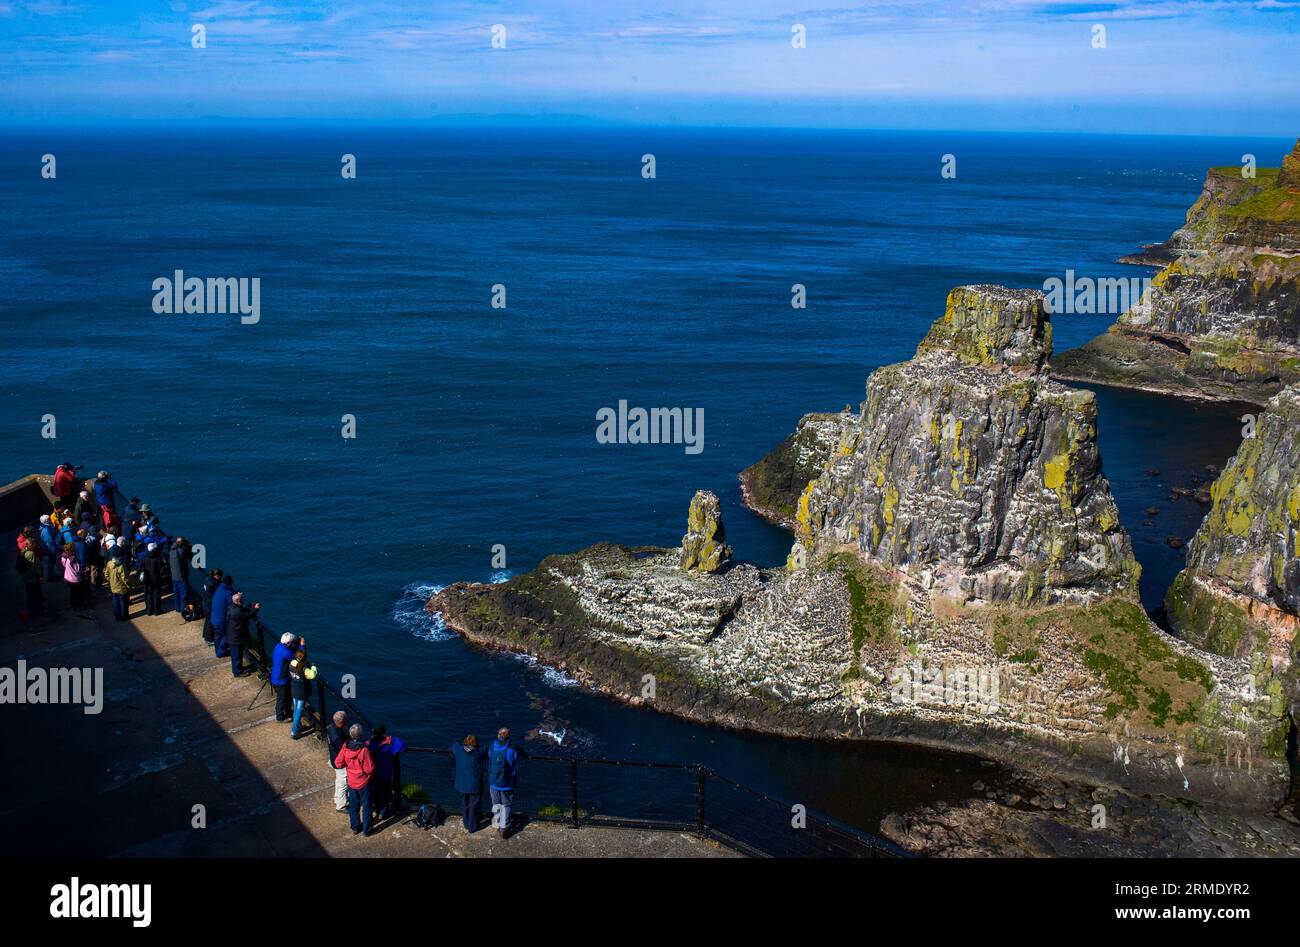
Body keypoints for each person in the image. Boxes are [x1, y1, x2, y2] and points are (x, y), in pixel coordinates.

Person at [334, 724, 375, 836]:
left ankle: (355, 827)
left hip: (351, 782)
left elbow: (338, 762)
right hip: (363, 783)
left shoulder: (345, 746)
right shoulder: (364, 750)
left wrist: (349, 765)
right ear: (361, 735)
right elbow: (369, 769)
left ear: (351, 734)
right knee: (366, 806)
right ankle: (367, 829)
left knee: (353, 806)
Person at [487, 727, 525, 838]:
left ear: (498, 736)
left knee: (496, 804)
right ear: (508, 737)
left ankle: (498, 823)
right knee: (507, 804)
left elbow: (490, 756)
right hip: (507, 783)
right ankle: (504, 826)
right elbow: (517, 759)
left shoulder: (492, 746)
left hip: (494, 782)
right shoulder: (512, 749)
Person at [367, 723, 407, 819]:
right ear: (383, 732)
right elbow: (403, 746)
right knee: (385, 793)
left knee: (376, 792)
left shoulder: (369, 744)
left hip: (373, 773)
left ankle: (377, 810)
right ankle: (383, 813)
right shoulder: (389, 742)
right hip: (385, 773)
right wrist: (391, 739)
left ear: (373, 733)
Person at [451, 734, 487, 832]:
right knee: (473, 806)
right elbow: (485, 748)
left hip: (461, 785)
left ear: (465, 742)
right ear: (476, 743)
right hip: (474, 785)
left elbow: (454, 744)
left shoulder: (459, 750)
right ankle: (472, 827)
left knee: (465, 803)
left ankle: (466, 823)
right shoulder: (479, 752)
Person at [225, 591, 260, 678]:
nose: (243, 601)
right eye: (242, 600)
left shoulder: (232, 607)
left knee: (236, 654)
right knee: (237, 655)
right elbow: (248, 615)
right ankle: (237, 672)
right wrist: (255, 609)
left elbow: (242, 609)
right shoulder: (237, 612)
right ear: (239, 602)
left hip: (232, 635)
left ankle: (238, 668)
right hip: (236, 638)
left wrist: (248, 606)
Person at [287, 649, 317, 739]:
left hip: (294, 689)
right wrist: (313, 666)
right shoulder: (305, 669)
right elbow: (313, 675)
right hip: (302, 693)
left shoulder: (292, 663)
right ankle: (294, 732)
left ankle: (298, 727)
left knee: (296, 709)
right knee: (298, 712)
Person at [270, 632, 299, 723]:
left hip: (275, 677)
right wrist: (301, 645)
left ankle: (287, 712)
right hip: (281, 681)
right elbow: (298, 658)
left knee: (284, 698)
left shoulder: (278, 646)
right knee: (281, 699)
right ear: (288, 643)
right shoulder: (286, 652)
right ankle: (280, 717)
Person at [328, 711, 349, 812]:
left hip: (334, 759)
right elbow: (343, 751)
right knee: (343, 783)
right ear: (341, 722)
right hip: (339, 762)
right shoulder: (337, 737)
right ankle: (340, 806)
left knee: (339, 780)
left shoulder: (331, 727)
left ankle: (337, 799)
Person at [18, 538, 43, 617]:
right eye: (35, 544)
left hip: (26, 578)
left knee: (30, 594)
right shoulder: (30, 554)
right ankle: (37, 611)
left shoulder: (23, 551)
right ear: (31, 544)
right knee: (36, 594)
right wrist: (39, 575)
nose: (36, 545)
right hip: (32, 578)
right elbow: (35, 567)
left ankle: (32, 609)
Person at [210, 575, 233, 657]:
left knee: (217, 636)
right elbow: (232, 607)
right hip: (221, 620)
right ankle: (220, 653)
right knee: (227, 635)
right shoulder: (228, 593)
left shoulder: (218, 589)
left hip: (213, 618)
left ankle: (217, 651)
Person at [106, 547, 130, 621]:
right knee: (123, 603)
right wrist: (128, 586)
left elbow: (106, 574)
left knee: (115, 602)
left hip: (113, 587)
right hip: (122, 588)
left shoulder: (109, 563)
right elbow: (125, 579)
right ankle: (124, 617)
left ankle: (117, 617)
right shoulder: (121, 566)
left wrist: (110, 581)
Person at [169, 537, 191, 619]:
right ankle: (184, 610)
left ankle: (177, 608)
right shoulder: (181, 551)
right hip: (181, 576)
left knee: (176, 593)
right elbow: (188, 553)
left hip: (174, 576)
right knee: (184, 594)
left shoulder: (171, 551)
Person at [141, 542, 165, 615]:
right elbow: (162, 571)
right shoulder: (158, 559)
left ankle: (149, 610)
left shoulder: (144, 558)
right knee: (156, 595)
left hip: (147, 580)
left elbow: (141, 569)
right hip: (156, 580)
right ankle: (156, 611)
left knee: (149, 595)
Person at [61, 542, 86, 610]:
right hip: (75, 579)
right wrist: (84, 570)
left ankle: (73, 604)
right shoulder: (73, 558)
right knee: (78, 593)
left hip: (67, 577)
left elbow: (64, 565)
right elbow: (77, 569)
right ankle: (78, 605)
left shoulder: (63, 556)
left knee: (72, 592)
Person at [201, 569, 223, 643]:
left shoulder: (207, 579)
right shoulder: (214, 583)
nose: (220, 578)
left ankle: (205, 635)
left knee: (207, 620)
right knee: (211, 621)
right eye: (220, 576)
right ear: (216, 575)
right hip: (210, 605)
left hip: (205, 603)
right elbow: (220, 590)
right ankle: (209, 639)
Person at [38, 515, 60, 582]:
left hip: (50, 548)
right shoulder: (46, 530)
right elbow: (51, 540)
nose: (50, 520)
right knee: (51, 562)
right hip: (50, 549)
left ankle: (51, 575)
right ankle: (50, 577)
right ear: (46, 521)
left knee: (52, 562)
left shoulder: (46, 527)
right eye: (49, 519)